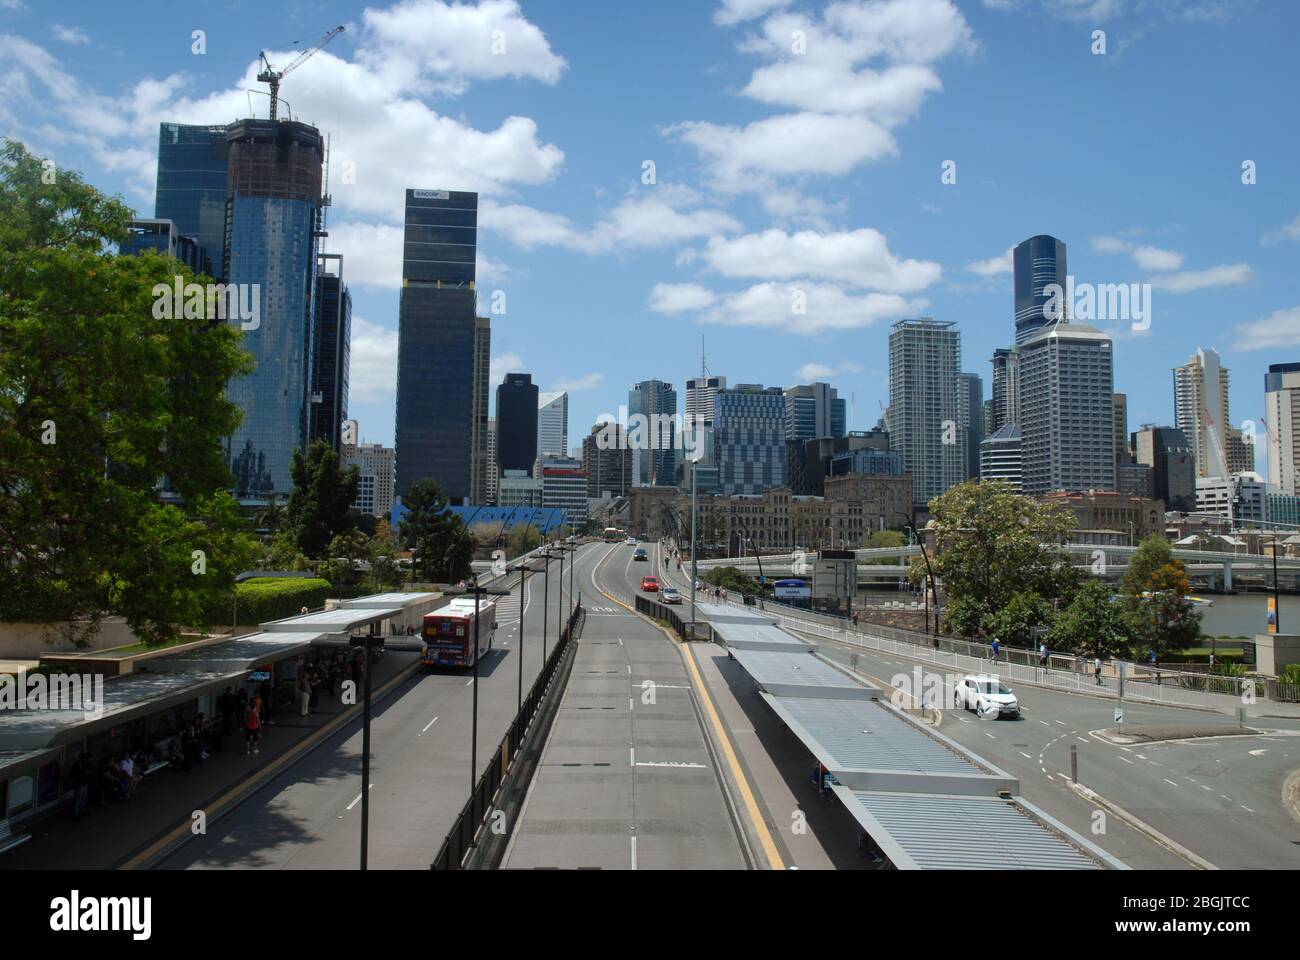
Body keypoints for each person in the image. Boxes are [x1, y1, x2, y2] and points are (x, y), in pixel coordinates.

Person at [69, 753, 90, 820]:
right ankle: (75, 814)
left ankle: (80, 811)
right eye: (87, 758)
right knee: (78, 799)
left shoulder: (85, 764)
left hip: (84, 783)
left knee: (82, 798)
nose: (87, 759)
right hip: (79, 783)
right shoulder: (78, 765)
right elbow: (73, 774)